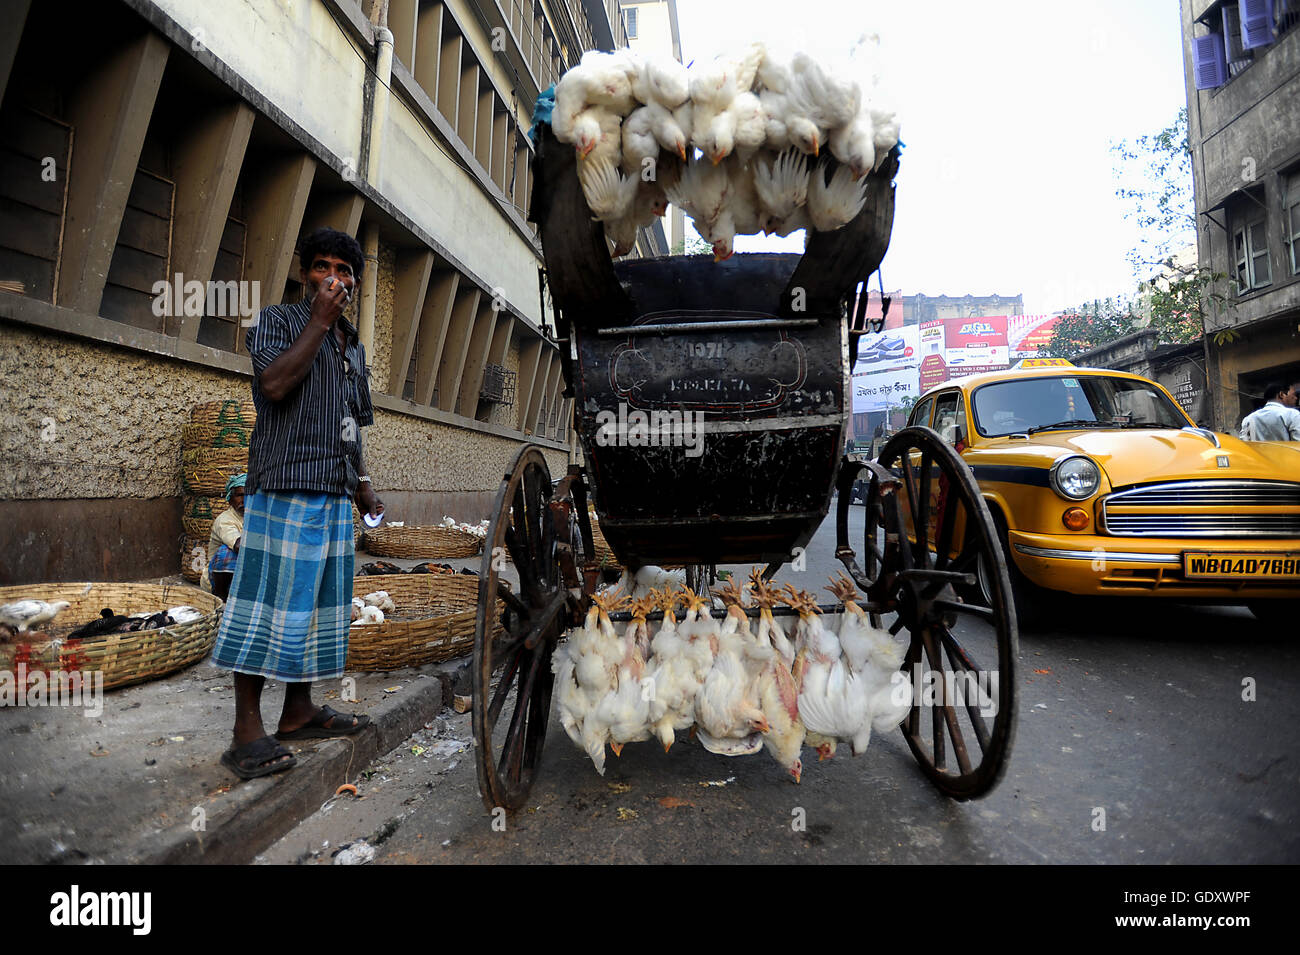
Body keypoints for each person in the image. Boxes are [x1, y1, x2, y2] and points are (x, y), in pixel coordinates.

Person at [211, 227, 385, 780]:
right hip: (284, 486)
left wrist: (362, 482)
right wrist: (319, 323)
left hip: (334, 493)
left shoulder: (353, 347)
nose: (333, 277)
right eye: (322, 267)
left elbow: (353, 422)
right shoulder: (276, 322)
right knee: (265, 603)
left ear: (354, 282)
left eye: (344, 270)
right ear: (305, 274)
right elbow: (275, 386)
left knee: (314, 608)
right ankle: (245, 733)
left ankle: (298, 712)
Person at [201, 473, 246, 601]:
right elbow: (239, 546)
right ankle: (222, 598)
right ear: (230, 499)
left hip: (242, 573)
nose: (244, 500)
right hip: (217, 580)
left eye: (248, 495)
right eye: (239, 495)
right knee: (226, 552)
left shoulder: (254, 516)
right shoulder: (225, 520)